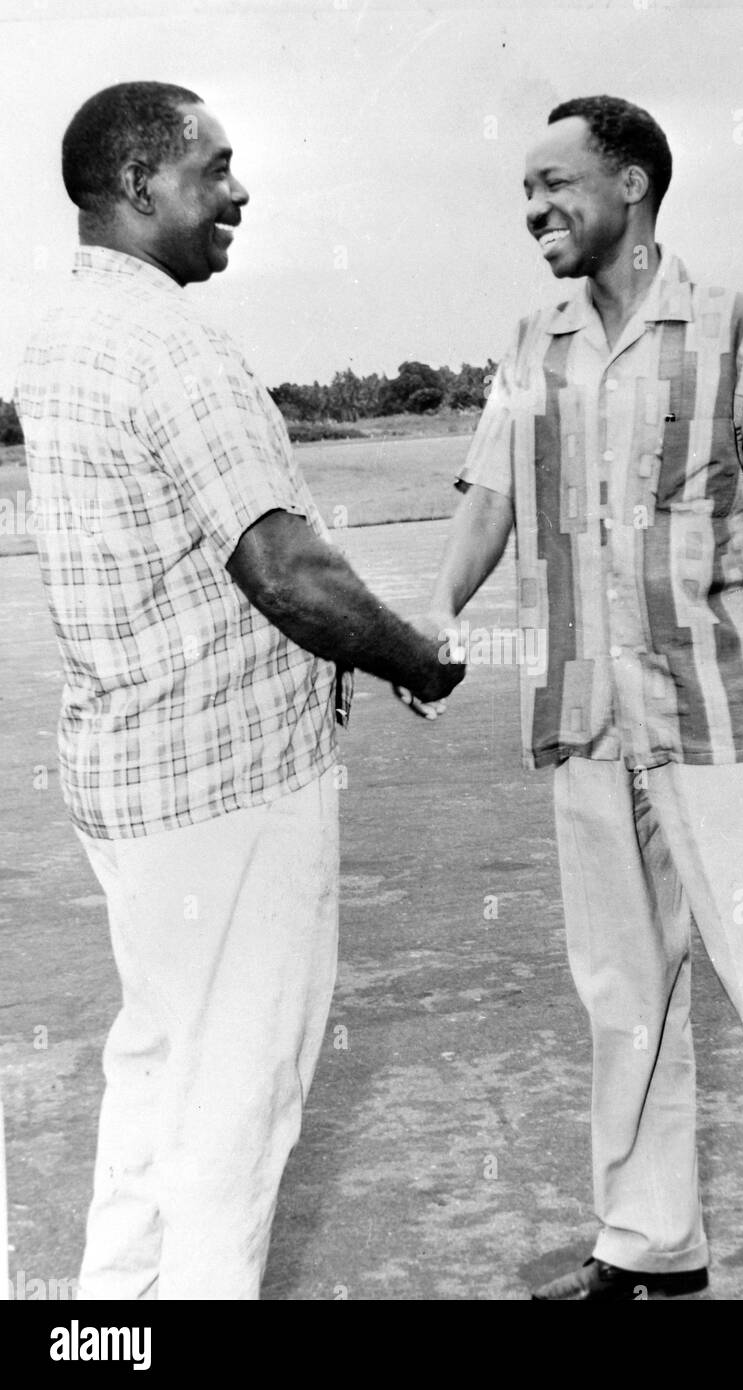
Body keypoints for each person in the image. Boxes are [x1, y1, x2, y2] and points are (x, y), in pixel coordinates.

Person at [417, 95, 743, 1301]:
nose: (534, 209)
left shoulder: (739, 328)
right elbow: (492, 500)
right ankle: (652, 1243)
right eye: (525, 190)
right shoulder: (531, 340)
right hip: (582, 714)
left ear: (634, 188)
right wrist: (436, 617)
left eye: (556, 184)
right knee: (621, 992)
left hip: (712, 712)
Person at [14, 81, 463, 1300]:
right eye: (217, 170)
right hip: (227, 799)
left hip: (134, 786)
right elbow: (286, 569)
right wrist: (416, 658)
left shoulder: (56, 335)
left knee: (157, 1076)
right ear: (144, 186)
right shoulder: (177, 343)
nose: (240, 191)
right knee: (235, 1110)